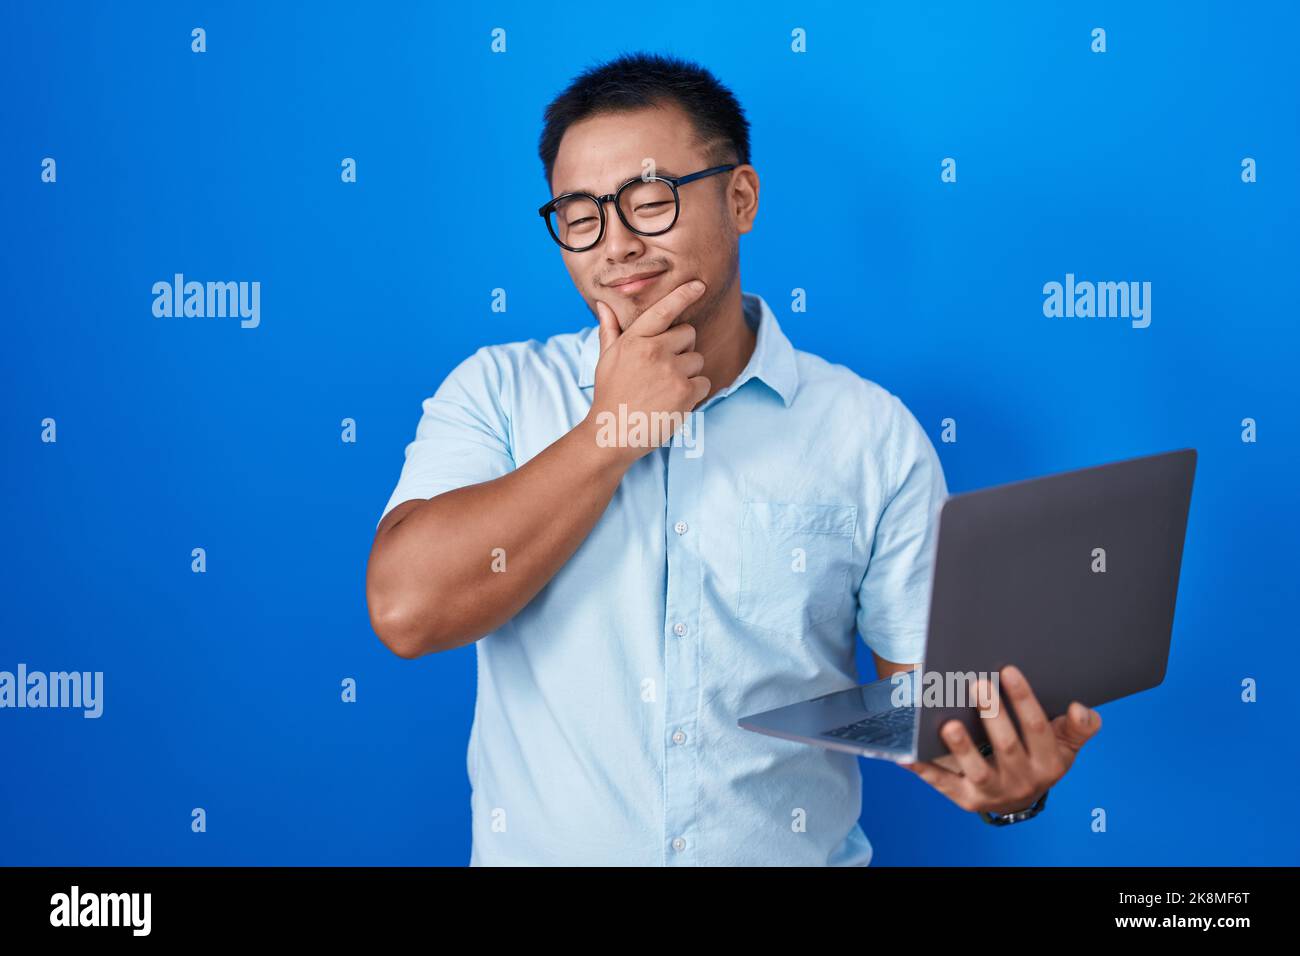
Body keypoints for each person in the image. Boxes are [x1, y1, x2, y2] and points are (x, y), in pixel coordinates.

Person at [366, 52, 1100, 866]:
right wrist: (610, 431)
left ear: (740, 198)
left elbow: (933, 711)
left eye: (650, 201)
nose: (617, 245)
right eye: (581, 217)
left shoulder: (867, 431)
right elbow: (407, 610)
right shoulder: (497, 393)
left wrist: (1009, 785)